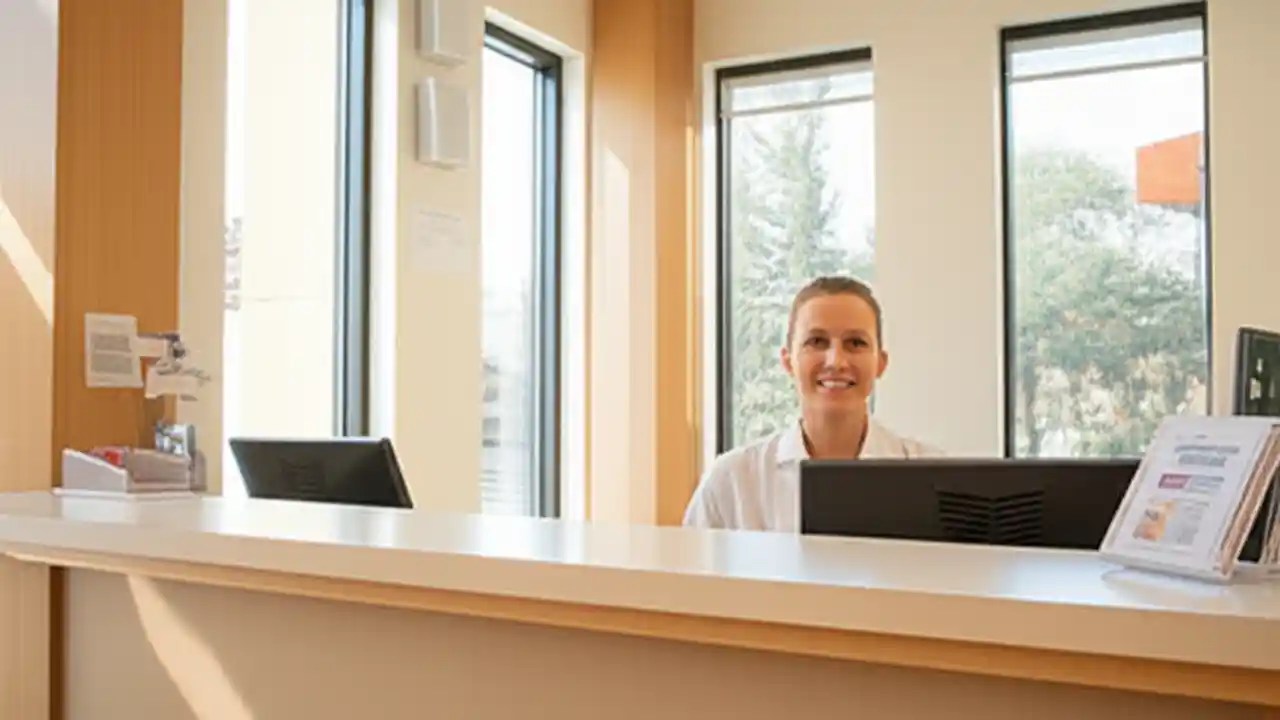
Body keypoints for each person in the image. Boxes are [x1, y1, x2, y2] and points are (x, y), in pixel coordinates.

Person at [684, 275, 941, 532]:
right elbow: (687, 571)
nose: (836, 361)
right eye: (817, 342)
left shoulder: (935, 478)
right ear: (788, 361)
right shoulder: (731, 481)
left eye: (855, 343)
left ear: (880, 363)